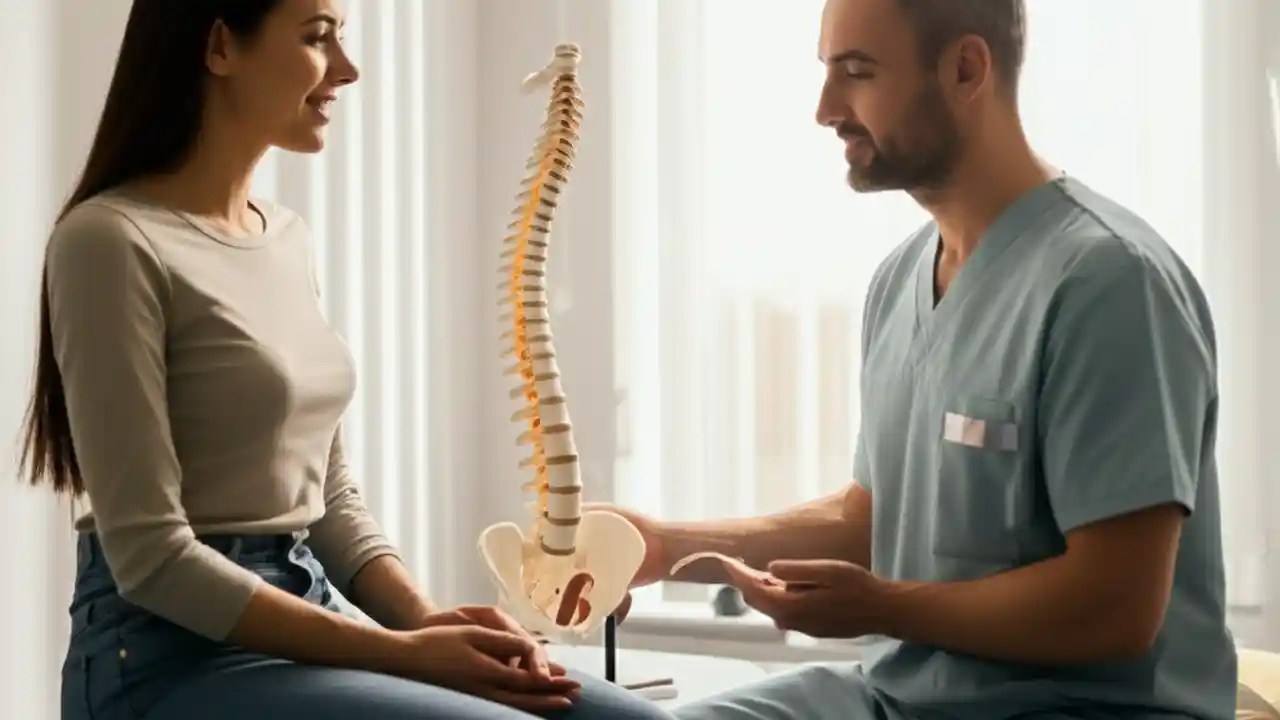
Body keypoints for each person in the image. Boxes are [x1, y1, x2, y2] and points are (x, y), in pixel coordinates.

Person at [18, 2, 672, 719]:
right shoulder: (109, 242)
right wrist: (402, 653)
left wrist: (426, 621)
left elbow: (329, 501)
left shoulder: (286, 238)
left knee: (631, 718)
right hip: (162, 657)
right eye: (317, 37)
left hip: (306, 611)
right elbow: (153, 561)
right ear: (218, 47)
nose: (348, 69)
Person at [601, 0, 1238, 718]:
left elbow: (1115, 609)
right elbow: (871, 523)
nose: (826, 108)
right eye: (827, 72)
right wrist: (662, 545)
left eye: (858, 72)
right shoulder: (900, 280)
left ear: (966, 69)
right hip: (894, 698)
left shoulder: (1110, 286)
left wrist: (884, 607)